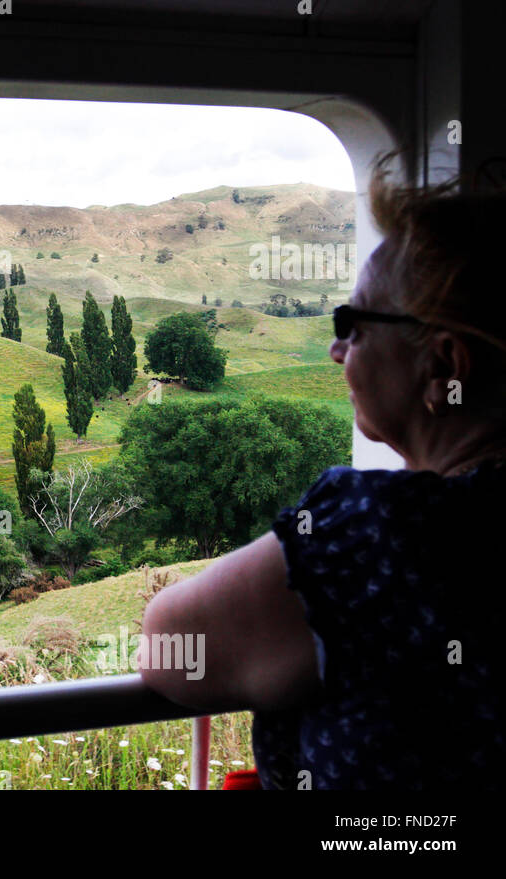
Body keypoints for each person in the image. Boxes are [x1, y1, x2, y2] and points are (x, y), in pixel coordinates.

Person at [138, 153, 506, 789]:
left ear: (444, 365)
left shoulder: (383, 533)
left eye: (354, 325)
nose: (337, 349)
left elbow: (170, 648)